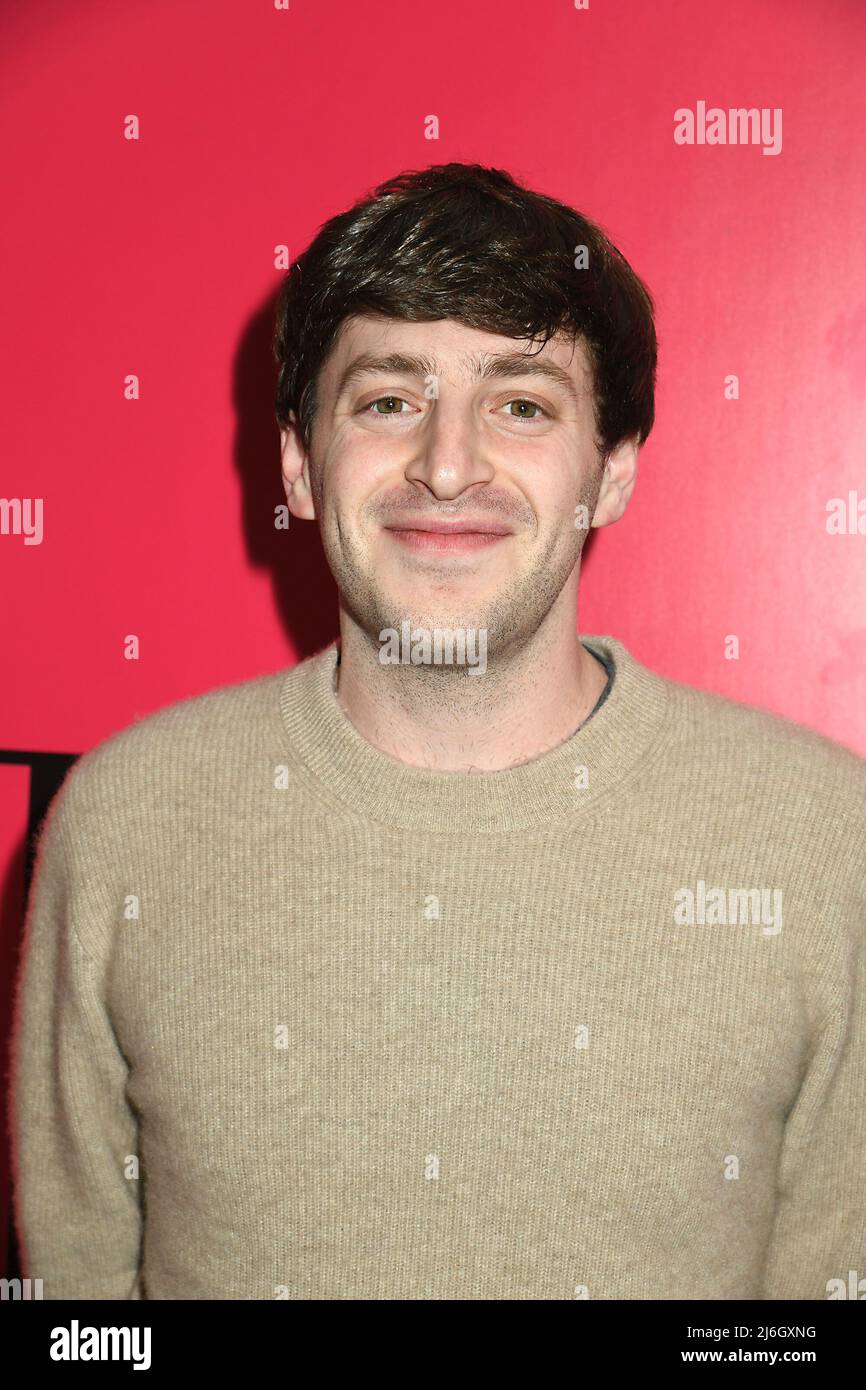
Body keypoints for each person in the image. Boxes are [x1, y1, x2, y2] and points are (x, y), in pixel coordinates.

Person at [11, 163, 865, 1300]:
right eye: (387, 399)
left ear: (608, 475)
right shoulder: (126, 822)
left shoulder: (815, 838)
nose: (447, 464)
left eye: (519, 403)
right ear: (298, 464)